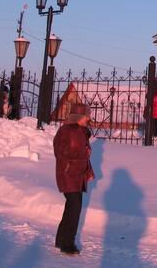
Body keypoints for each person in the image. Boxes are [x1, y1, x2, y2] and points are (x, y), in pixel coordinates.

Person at [53, 102, 95, 255]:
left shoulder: (82, 131)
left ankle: (61, 240)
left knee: (72, 207)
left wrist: (88, 171)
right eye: (86, 115)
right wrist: (83, 153)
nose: (88, 118)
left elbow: (84, 153)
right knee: (74, 208)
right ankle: (67, 244)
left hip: (77, 175)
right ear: (79, 117)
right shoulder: (65, 131)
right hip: (68, 174)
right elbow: (61, 152)